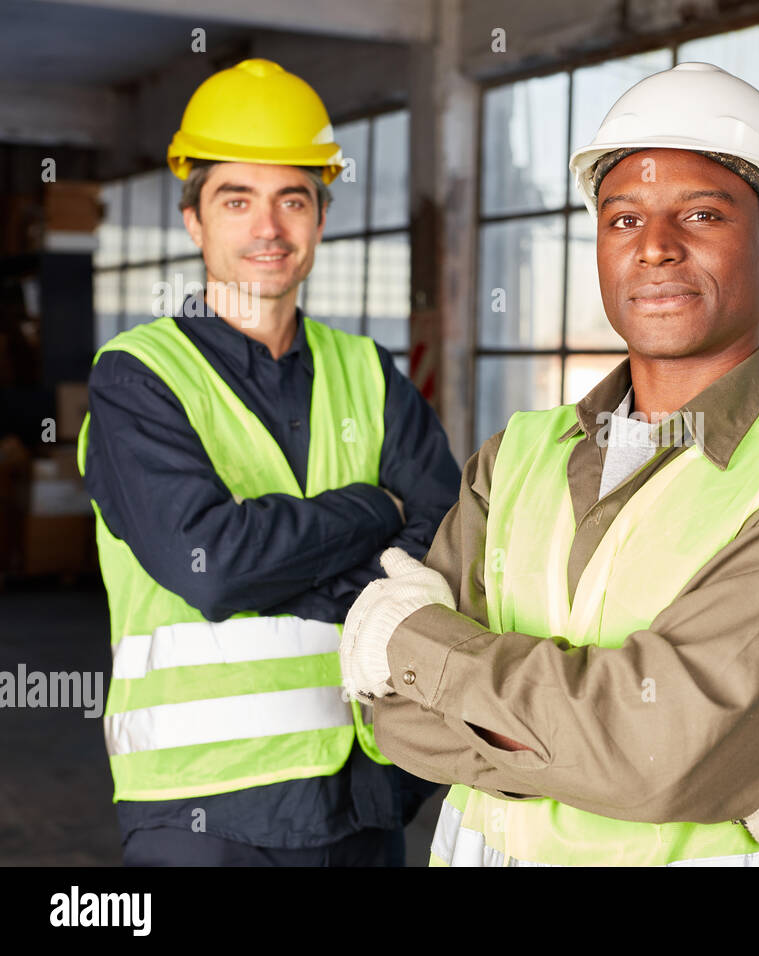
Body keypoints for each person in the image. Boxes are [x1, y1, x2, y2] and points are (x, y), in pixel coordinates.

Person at [341, 62, 759, 866]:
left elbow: (652, 752)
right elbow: (394, 720)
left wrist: (415, 645)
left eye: (702, 215)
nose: (656, 250)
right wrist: (708, 760)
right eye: (623, 220)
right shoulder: (514, 458)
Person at [77, 58, 460, 866]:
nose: (269, 229)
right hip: (205, 808)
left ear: (321, 215)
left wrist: (288, 576)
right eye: (236, 199)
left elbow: (451, 544)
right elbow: (211, 565)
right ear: (193, 219)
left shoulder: (367, 369)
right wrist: (374, 511)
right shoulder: (136, 378)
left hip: (370, 790)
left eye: (293, 198)